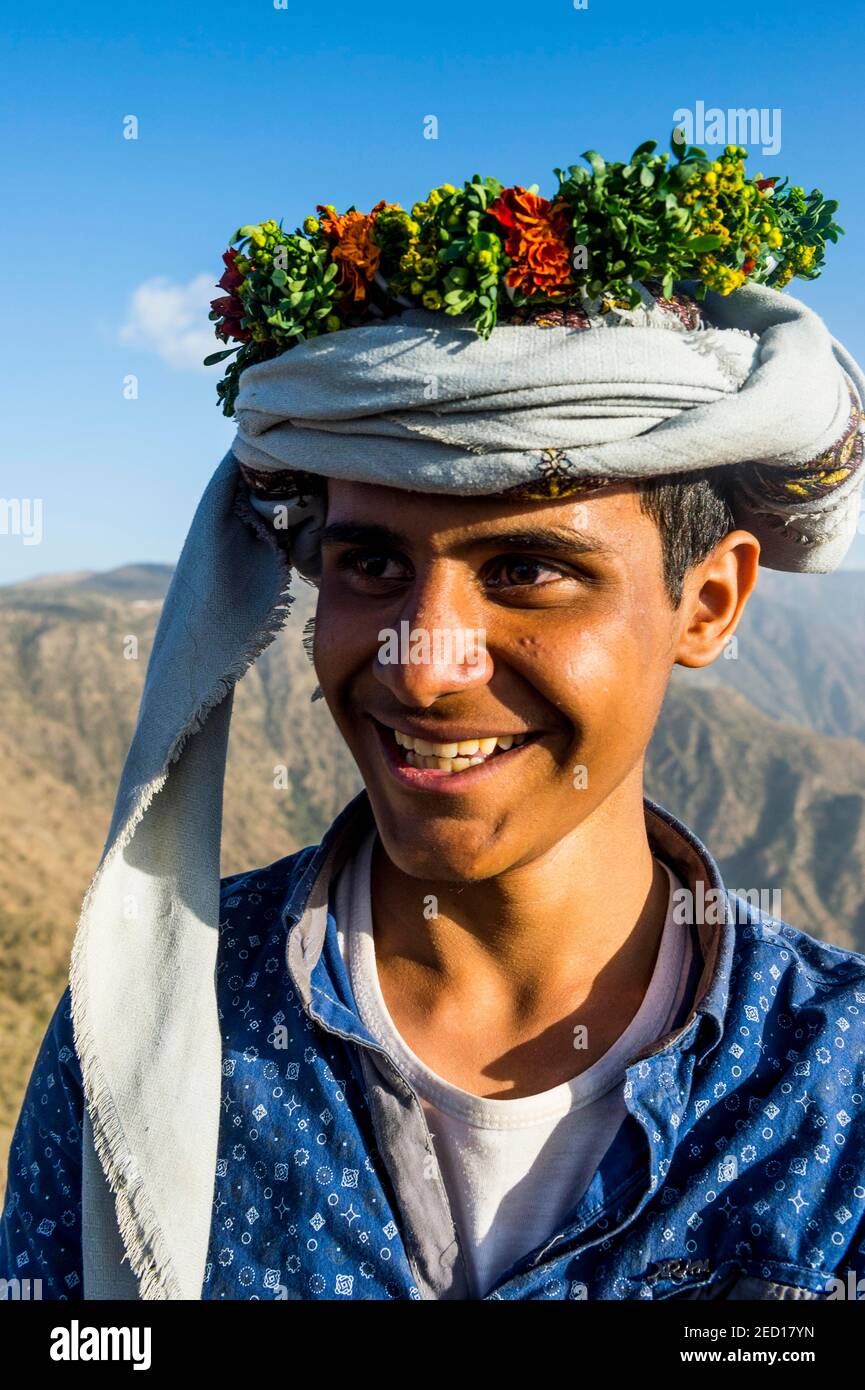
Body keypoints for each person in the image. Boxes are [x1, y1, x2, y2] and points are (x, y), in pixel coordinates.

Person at [2, 140, 865, 1302]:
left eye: (525, 570)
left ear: (706, 602)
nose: (422, 664)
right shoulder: (151, 1025)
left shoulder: (834, 1096)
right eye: (368, 561)